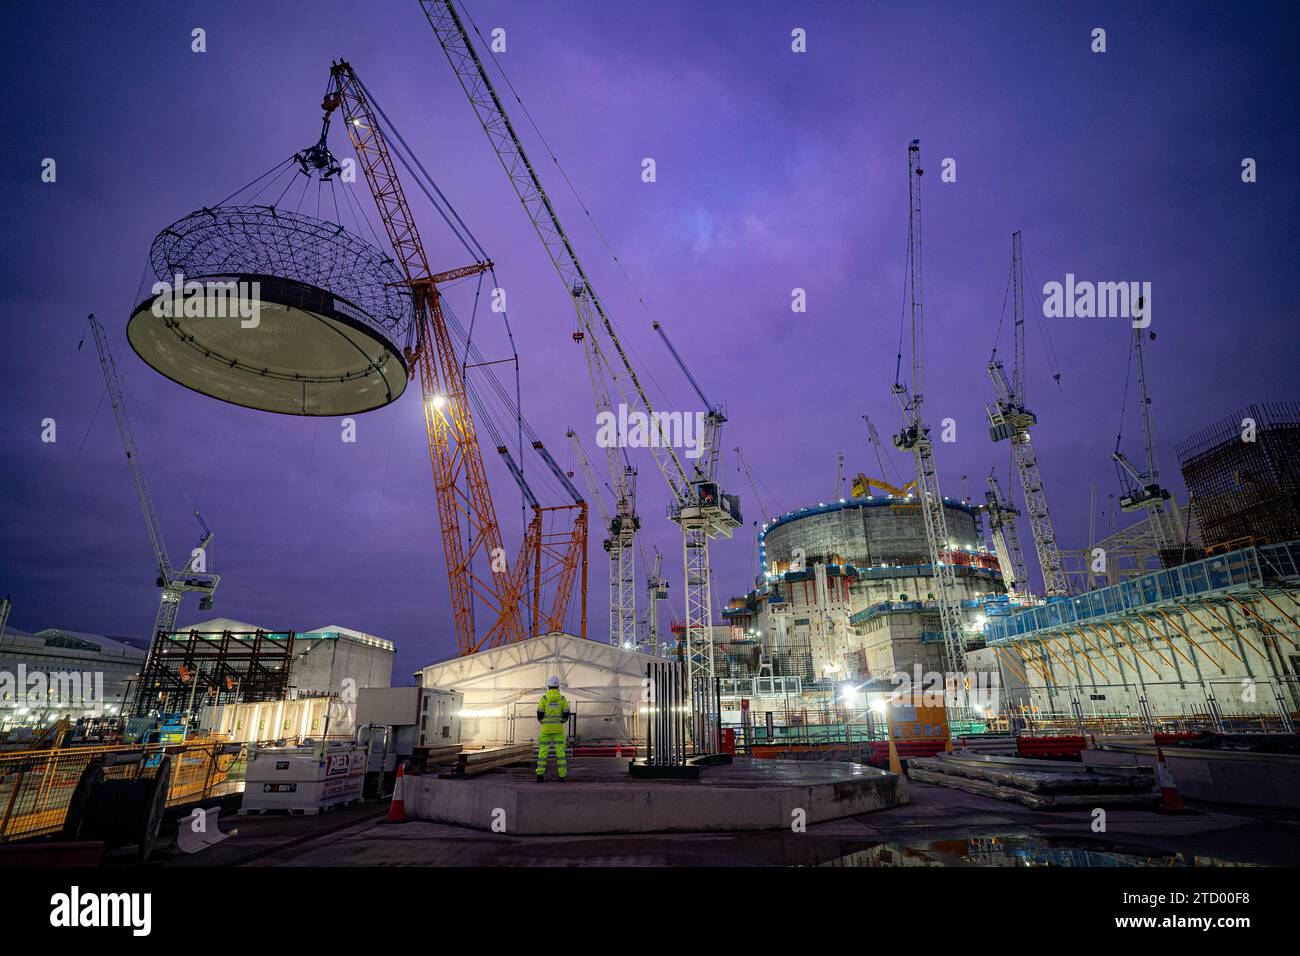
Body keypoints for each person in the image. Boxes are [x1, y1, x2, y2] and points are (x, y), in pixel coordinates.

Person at [535, 675, 570, 782]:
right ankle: (562, 776)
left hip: (545, 729)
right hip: (558, 729)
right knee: (560, 752)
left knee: (543, 752)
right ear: (558, 686)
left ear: (548, 686)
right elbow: (566, 714)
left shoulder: (544, 699)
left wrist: (544, 723)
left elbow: (539, 715)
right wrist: (560, 722)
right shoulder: (563, 699)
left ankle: (540, 775)